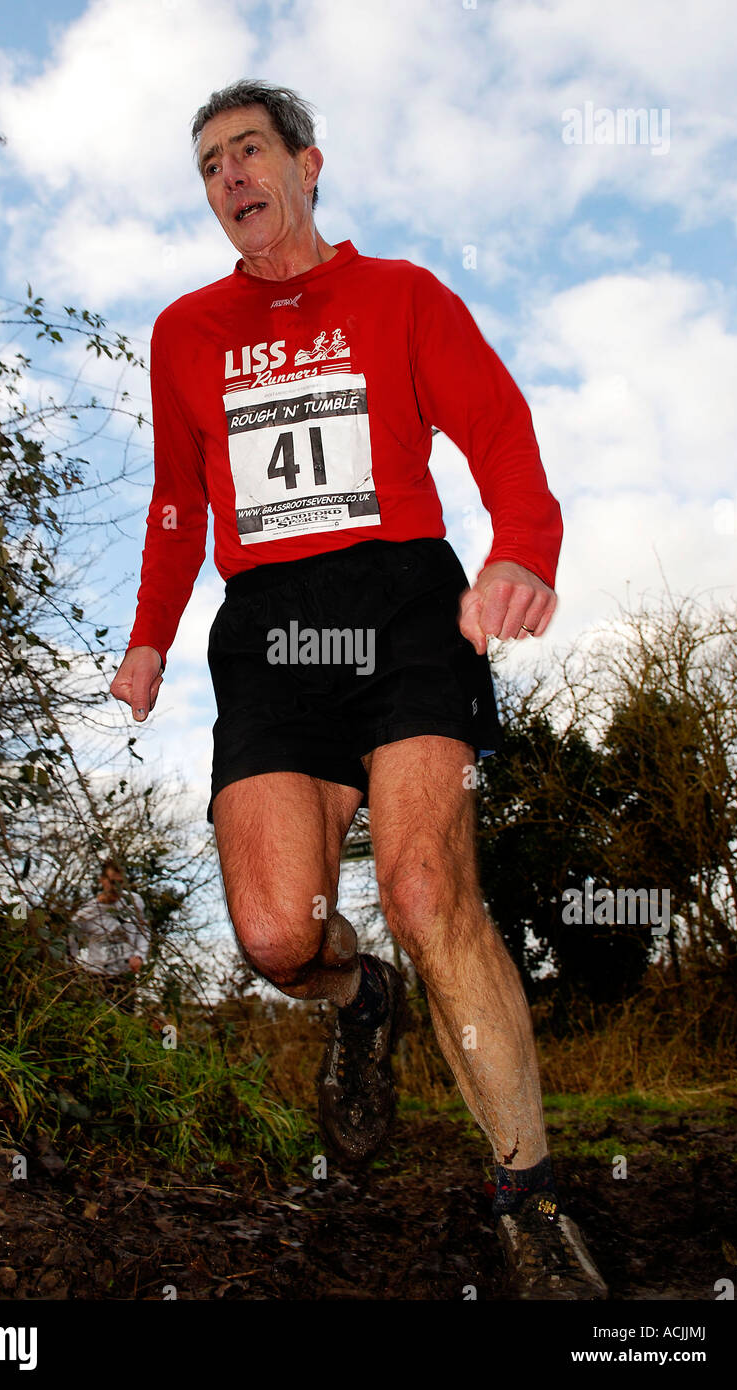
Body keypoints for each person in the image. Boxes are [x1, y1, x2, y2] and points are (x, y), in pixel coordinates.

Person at [110, 79, 606, 1299]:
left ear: (308, 163)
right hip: (270, 630)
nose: (231, 177)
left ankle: (530, 1202)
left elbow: (500, 432)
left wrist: (522, 551)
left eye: (249, 152)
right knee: (278, 936)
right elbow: (181, 501)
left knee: (428, 886)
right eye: (210, 164)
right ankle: (360, 993)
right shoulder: (183, 333)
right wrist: (149, 638)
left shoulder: (403, 296)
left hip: (398, 608)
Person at [68, 860, 149, 1013]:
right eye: (112, 882)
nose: (116, 888)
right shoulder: (88, 912)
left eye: (120, 883)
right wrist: (73, 966)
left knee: (125, 1023)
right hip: (98, 976)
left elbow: (143, 931)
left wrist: (139, 955)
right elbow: (72, 938)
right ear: (102, 881)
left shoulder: (133, 902)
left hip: (125, 976)